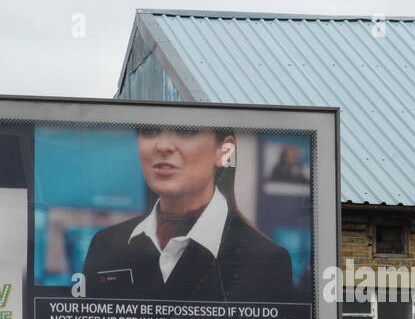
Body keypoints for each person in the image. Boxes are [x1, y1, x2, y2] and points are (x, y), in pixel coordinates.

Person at [81, 125, 296, 304]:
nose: (163, 146)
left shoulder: (265, 261)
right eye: (149, 131)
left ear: (224, 150)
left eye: (186, 130)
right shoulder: (105, 245)